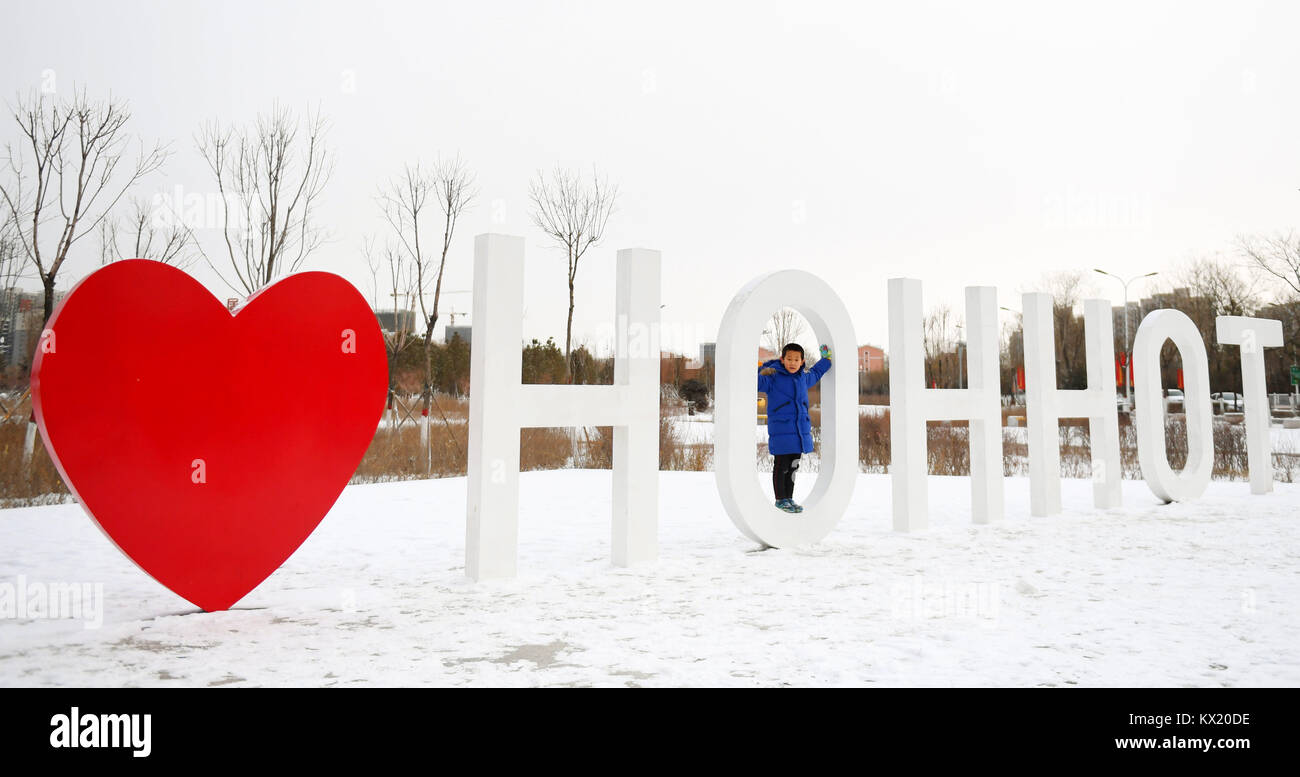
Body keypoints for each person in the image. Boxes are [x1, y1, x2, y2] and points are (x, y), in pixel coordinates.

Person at [758, 343, 832, 513]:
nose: (792, 363)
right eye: (789, 359)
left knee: (793, 466)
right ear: (782, 360)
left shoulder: (803, 379)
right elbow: (753, 381)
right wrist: (765, 365)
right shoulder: (773, 379)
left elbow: (816, 372)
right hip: (781, 432)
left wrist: (826, 360)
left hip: (799, 433)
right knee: (781, 466)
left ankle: (789, 498)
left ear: (802, 361)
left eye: (796, 359)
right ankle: (780, 499)